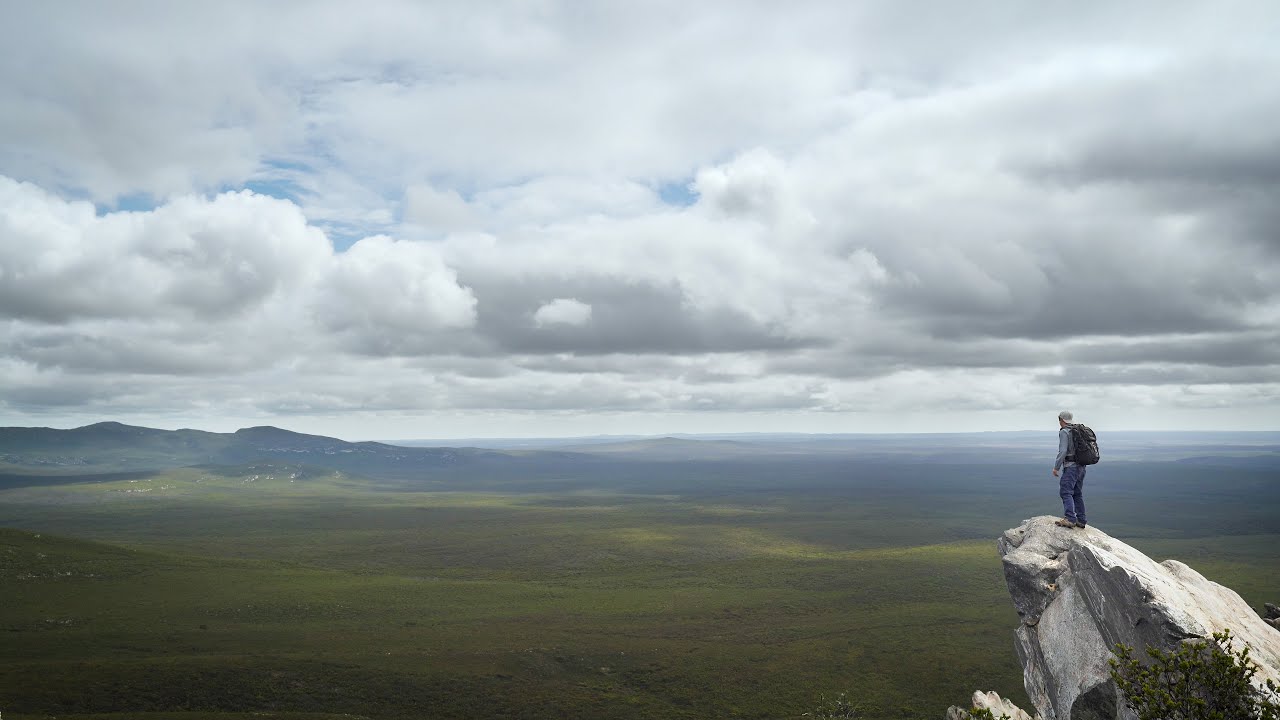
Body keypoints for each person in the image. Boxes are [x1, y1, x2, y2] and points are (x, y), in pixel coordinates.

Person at [1052, 410, 1087, 529]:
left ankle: (1070, 519)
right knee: (1077, 493)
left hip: (1071, 467)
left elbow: (1063, 451)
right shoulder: (1077, 430)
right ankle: (1081, 520)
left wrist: (1056, 467)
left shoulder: (1064, 432)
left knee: (1066, 492)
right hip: (1081, 466)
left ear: (1061, 420)